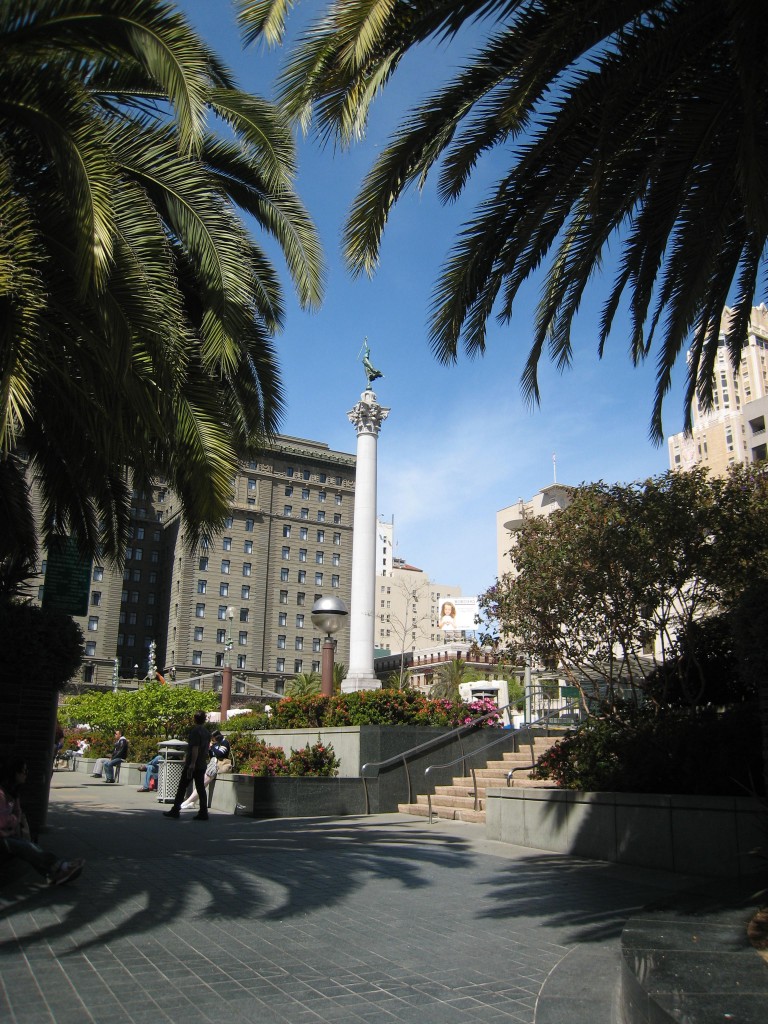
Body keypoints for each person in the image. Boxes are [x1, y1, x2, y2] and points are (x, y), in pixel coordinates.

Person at [0, 754, 84, 886]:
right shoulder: (1, 793)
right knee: (25, 847)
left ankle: (55, 873)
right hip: (3, 839)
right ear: (14, 772)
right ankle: (60, 867)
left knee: (29, 846)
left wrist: (11, 821)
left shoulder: (13, 792)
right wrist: (12, 820)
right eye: (24, 771)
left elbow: (16, 814)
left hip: (7, 835)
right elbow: (3, 821)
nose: (26, 775)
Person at [163, 712, 211, 820]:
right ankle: (203, 811)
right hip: (202, 764)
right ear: (204, 719)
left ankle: (175, 810)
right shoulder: (206, 732)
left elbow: (195, 748)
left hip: (193, 764)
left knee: (182, 787)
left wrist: (192, 764)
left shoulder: (195, 731)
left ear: (195, 719)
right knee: (200, 788)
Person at [180, 730, 232, 810]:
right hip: (213, 764)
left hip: (219, 765)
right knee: (203, 783)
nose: (212, 740)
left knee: (203, 783)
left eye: (213, 738)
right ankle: (192, 802)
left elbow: (220, 754)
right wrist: (210, 749)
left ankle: (189, 801)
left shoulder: (224, 743)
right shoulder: (216, 743)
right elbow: (212, 755)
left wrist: (212, 747)